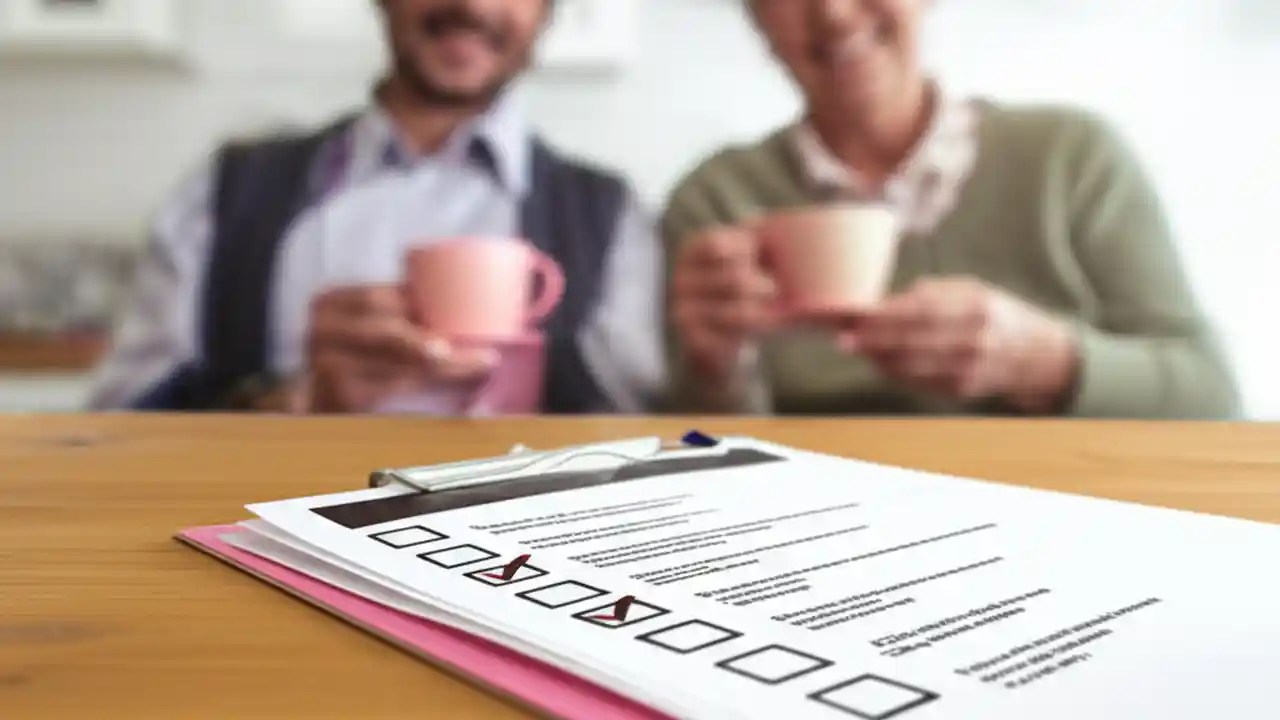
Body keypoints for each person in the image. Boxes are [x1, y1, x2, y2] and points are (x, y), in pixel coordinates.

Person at [663, 0, 1239, 418]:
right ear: (754, 19)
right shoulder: (715, 203)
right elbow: (692, 451)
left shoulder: (1071, 158)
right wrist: (714, 368)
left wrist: (1041, 360)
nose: (833, 12)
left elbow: (1212, 398)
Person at [89, 0, 663, 415]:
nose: (469, 4)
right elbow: (118, 422)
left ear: (546, 13)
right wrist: (295, 402)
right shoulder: (230, 189)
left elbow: (641, 430)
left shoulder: (610, 213)